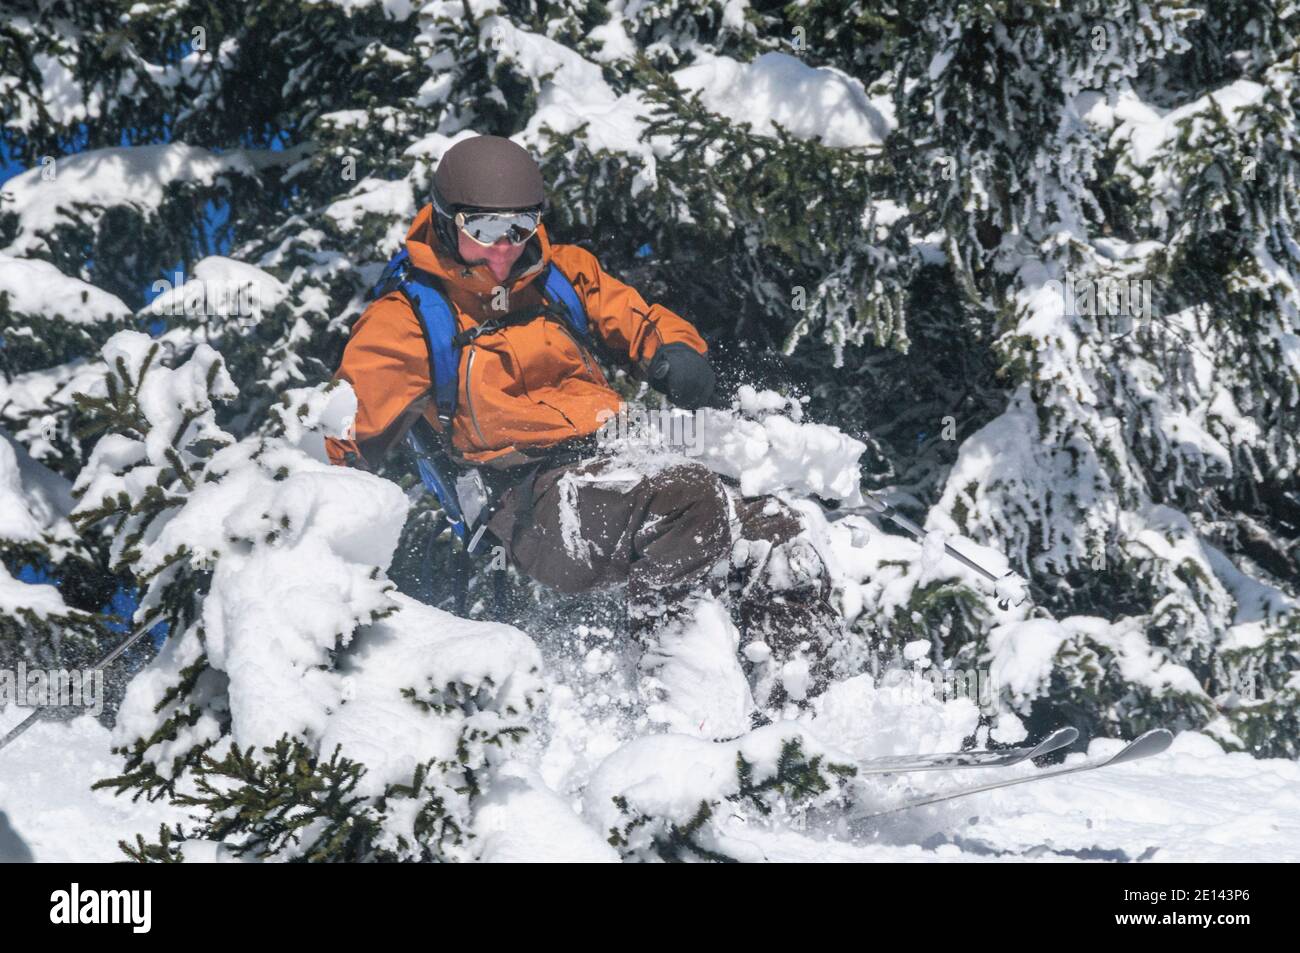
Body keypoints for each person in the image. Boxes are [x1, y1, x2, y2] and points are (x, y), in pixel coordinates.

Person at [325, 134, 839, 704]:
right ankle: (687, 711)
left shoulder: (560, 274)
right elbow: (341, 433)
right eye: (484, 231)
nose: (504, 251)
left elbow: (638, 318)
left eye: (520, 229)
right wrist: (313, 527)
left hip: (617, 458)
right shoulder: (407, 320)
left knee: (774, 525)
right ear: (447, 222)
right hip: (527, 500)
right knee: (690, 500)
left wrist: (672, 352)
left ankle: (799, 710)